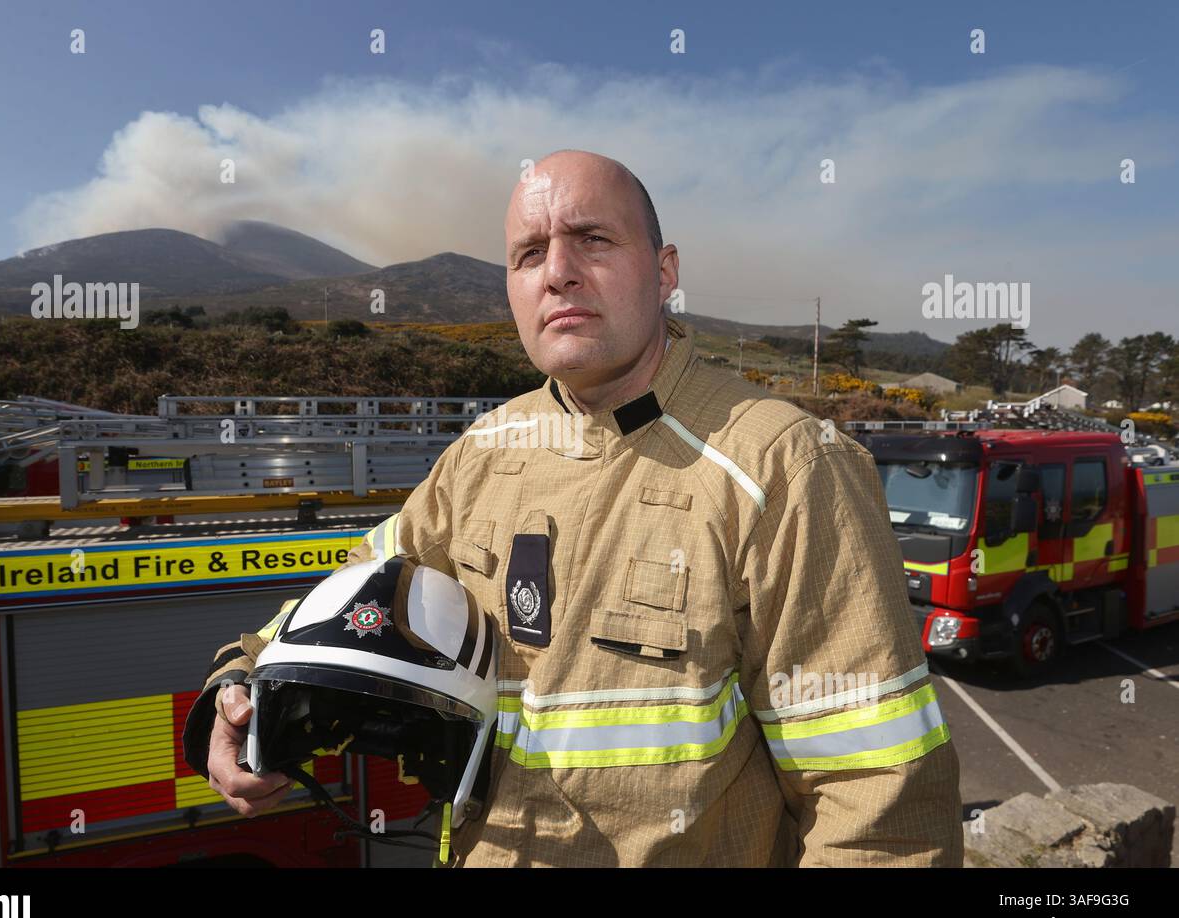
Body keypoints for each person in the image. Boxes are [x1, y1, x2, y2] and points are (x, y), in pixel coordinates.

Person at [182, 149, 963, 866]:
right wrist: (244, 682)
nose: (557, 272)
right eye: (529, 254)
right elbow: (358, 586)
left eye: (591, 239)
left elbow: (878, 812)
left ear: (664, 273)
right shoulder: (483, 451)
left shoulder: (784, 467)